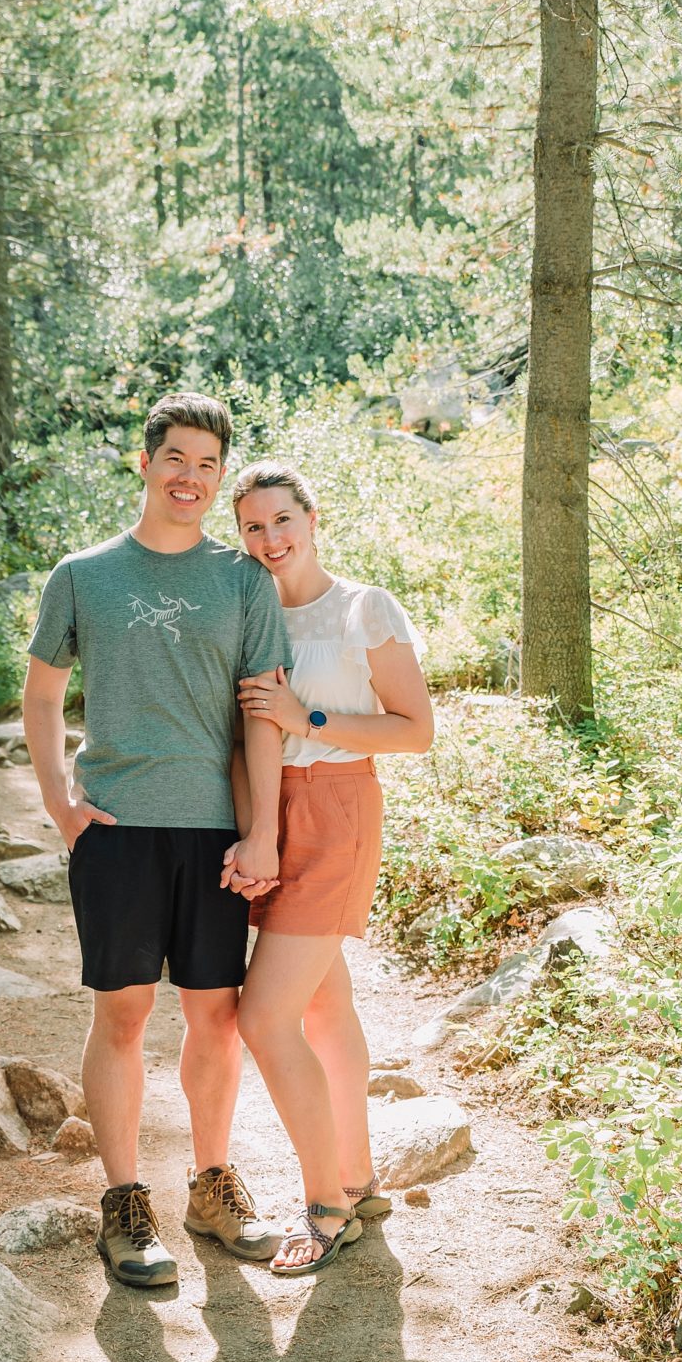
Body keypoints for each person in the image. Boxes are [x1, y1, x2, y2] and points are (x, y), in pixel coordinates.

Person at [22, 394, 291, 1289]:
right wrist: (61, 805)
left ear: (220, 476)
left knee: (215, 1017)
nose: (190, 477)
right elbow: (42, 696)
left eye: (207, 464)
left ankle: (213, 1188)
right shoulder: (83, 574)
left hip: (213, 832)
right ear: (145, 463)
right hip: (117, 830)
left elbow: (264, 714)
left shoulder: (243, 580)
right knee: (125, 1015)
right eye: (176, 458)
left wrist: (262, 832)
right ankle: (125, 1203)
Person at [229, 461, 434, 1276]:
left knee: (263, 1017)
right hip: (270, 812)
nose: (270, 538)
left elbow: (414, 729)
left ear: (311, 520)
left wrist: (305, 714)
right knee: (323, 1005)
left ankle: (326, 1205)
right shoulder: (247, 612)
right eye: (252, 526)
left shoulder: (362, 608)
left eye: (282, 519)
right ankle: (358, 1178)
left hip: (338, 809)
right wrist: (255, 831)